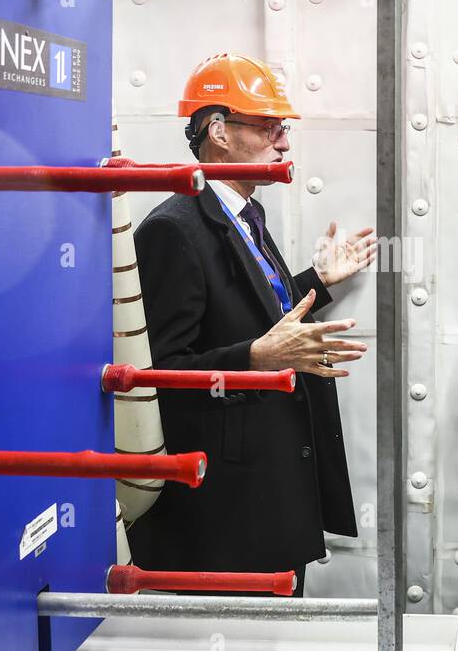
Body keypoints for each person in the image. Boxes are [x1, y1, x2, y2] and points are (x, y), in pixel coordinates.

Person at [127, 52, 377, 596]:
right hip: (224, 513)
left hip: (270, 493)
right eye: (269, 127)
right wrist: (254, 360)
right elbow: (160, 375)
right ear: (218, 131)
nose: (283, 143)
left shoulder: (246, 214)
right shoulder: (172, 229)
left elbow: (258, 314)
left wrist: (319, 280)